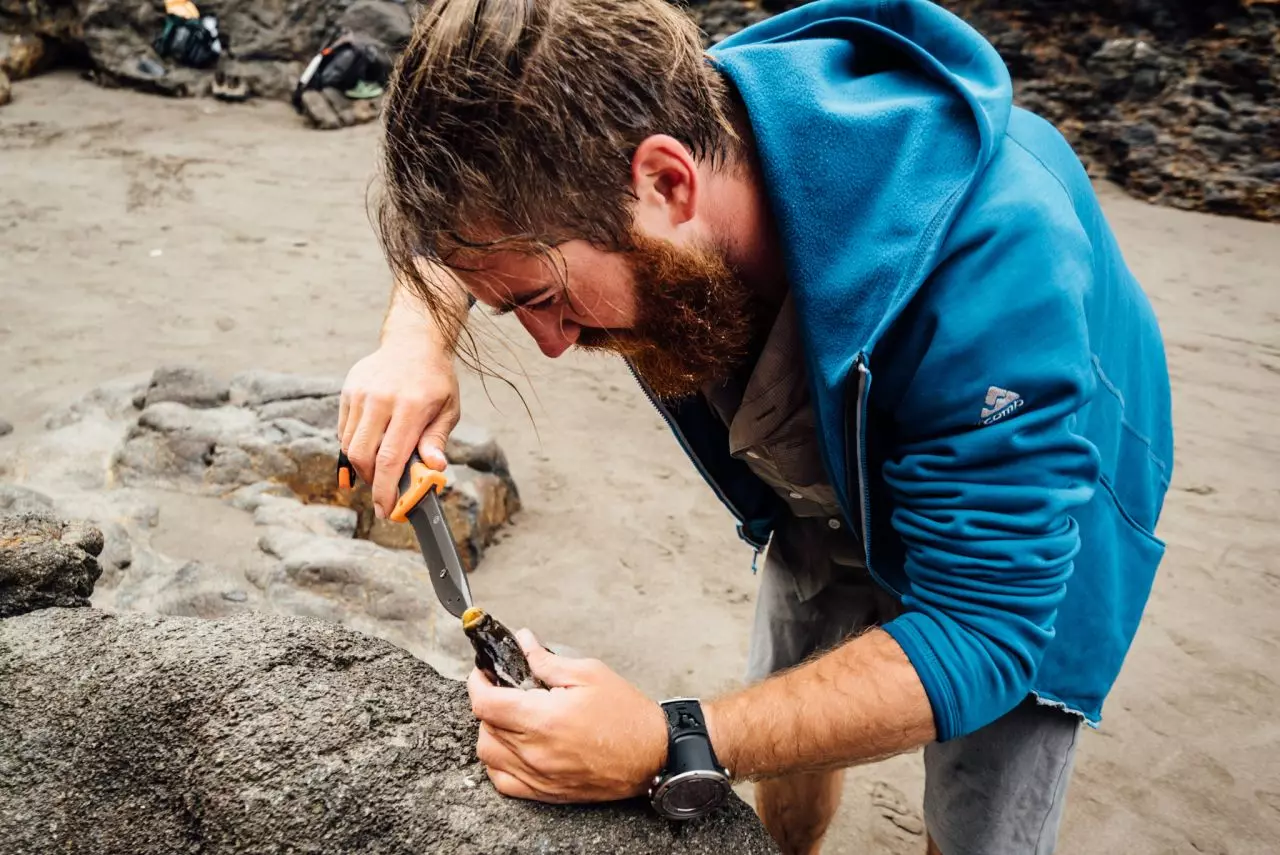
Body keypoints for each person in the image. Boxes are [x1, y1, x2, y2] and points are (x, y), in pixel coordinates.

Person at [338, 0, 1174, 852]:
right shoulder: (657, 117)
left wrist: (670, 740)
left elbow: (984, 631)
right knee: (791, 696)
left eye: (546, 300)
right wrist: (413, 343)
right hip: (822, 453)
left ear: (667, 183)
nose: (551, 344)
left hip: (1031, 487)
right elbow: (472, 216)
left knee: (978, 814)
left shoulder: (1000, 260)